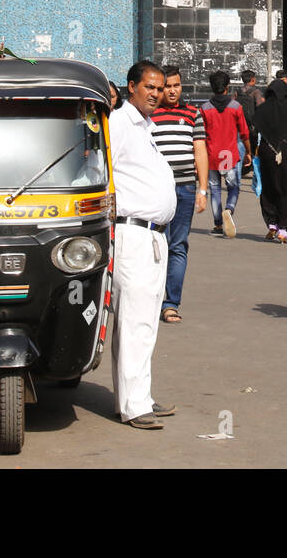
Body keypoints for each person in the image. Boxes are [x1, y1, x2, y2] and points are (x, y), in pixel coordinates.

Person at [107, 60, 178, 429]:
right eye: (149, 86)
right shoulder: (119, 124)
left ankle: (138, 397)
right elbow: (103, 172)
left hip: (152, 235)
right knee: (135, 321)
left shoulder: (143, 126)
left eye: (160, 87)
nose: (156, 93)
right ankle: (134, 406)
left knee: (145, 321)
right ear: (131, 86)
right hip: (132, 235)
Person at [150, 66, 209, 323]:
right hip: (154, 190)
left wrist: (203, 189)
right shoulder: (149, 114)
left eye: (176, 85)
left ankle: (171, 303)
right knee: (152, 244)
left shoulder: (193, 113)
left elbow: (200, 151)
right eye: (167, 87)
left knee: (178, 245)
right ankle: (149, 299)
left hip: (185, 189)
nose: (172, 91)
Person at [256, 77, 287, 243]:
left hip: (266, 149)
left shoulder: (261, 109)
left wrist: (251, 151)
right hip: (286, 149)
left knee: (268, 184)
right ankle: (283, 228)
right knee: (286, 187)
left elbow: (252, 131)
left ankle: (272, 223)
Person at [201, 70, 251, 238]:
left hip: (212, 154)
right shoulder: (236, 107)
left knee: (214, 188)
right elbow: (244, 132)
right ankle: (229, 208)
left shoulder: (205, 108)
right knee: (233, 187)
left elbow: (201, 135)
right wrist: (249, 152)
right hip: (229, 153)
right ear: (227, 87)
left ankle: (217, 224)